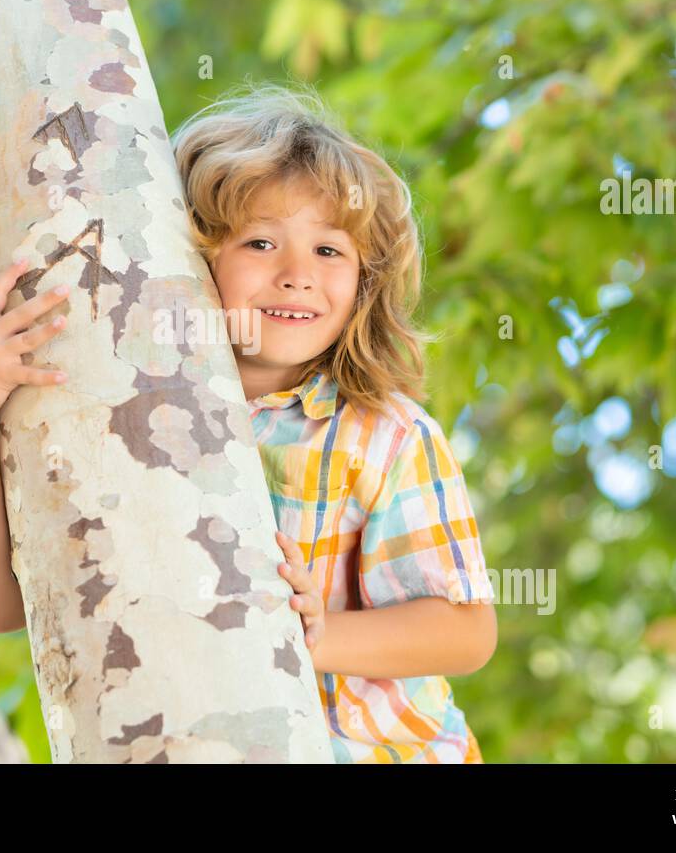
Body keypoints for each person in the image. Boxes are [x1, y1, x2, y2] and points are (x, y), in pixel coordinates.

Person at [170, 80, 497, 762]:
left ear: (363, 283)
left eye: (329, 250)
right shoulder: (145, 424)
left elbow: (466, 632)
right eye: (260, 243)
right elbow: (0, 608)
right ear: (197, 258)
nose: (297, 274)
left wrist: (318, 632)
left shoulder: (387, 435)